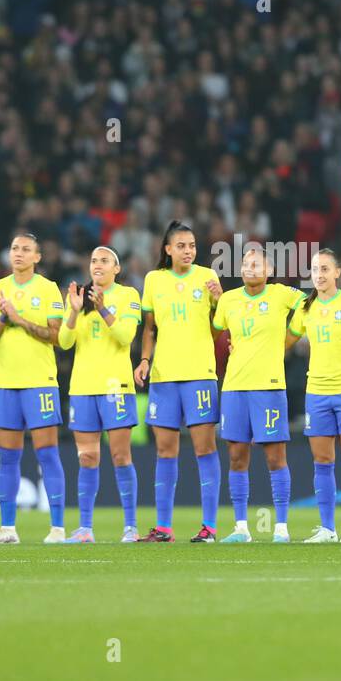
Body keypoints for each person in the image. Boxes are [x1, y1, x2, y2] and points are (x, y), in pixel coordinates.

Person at [134, 221, 224, 543]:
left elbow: (218, 329)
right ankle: (164, 528)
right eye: (182, 246)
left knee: (204, 448)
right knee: (165, 450)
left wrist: (219, 301)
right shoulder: (154, 280)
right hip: (164, 376)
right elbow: (149, 329)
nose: (188, 251)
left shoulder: (208, 278)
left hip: (200, 373)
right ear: (168, 249)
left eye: (192, 246)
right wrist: (144, 360)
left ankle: (209, 527)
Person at [213, 246, 306, 543]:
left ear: (269, 271)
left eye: (257, 264)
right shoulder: (228, 300)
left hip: (268, 386)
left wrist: (290, 337)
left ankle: (280, 527)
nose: (250, 268)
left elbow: (314, 302)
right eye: (245, 264)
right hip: (234, 387)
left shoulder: (281, 294)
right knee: (237, 457)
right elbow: (214, 331)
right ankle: (241, 527)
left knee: (275, 457)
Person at [0, 232, 67, 545]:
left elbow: (56, 336)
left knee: (47, 454)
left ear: (37, 257)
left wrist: (20, 318)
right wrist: (5, 317)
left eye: (25, 249)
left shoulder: (48, 289)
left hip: (39, 383)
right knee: (8, 458)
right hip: (3, 382)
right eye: (14, 248)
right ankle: (7, 529)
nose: (18, 253)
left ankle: (57, 528)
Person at [58, 246, 143, 543]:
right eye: (94, 260)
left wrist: (104, 308)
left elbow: (126, 338)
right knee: (87, 457)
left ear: (116, 269)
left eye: (105, 261)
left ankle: (130, 527)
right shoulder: (79, 298)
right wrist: (74, 311)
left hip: (115, 387)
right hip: (82, 387)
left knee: (120, 456)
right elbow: (64, 342)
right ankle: (85, 529)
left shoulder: (128, 296)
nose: (98, 265)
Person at [286, 249, 341, 543]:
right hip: (317, 391)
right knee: (322, 460)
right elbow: (285, 341)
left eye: (324, 269)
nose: (318, 275)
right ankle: (327, 528)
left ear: (337, 272)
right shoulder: (305, 308)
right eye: (314, 270)